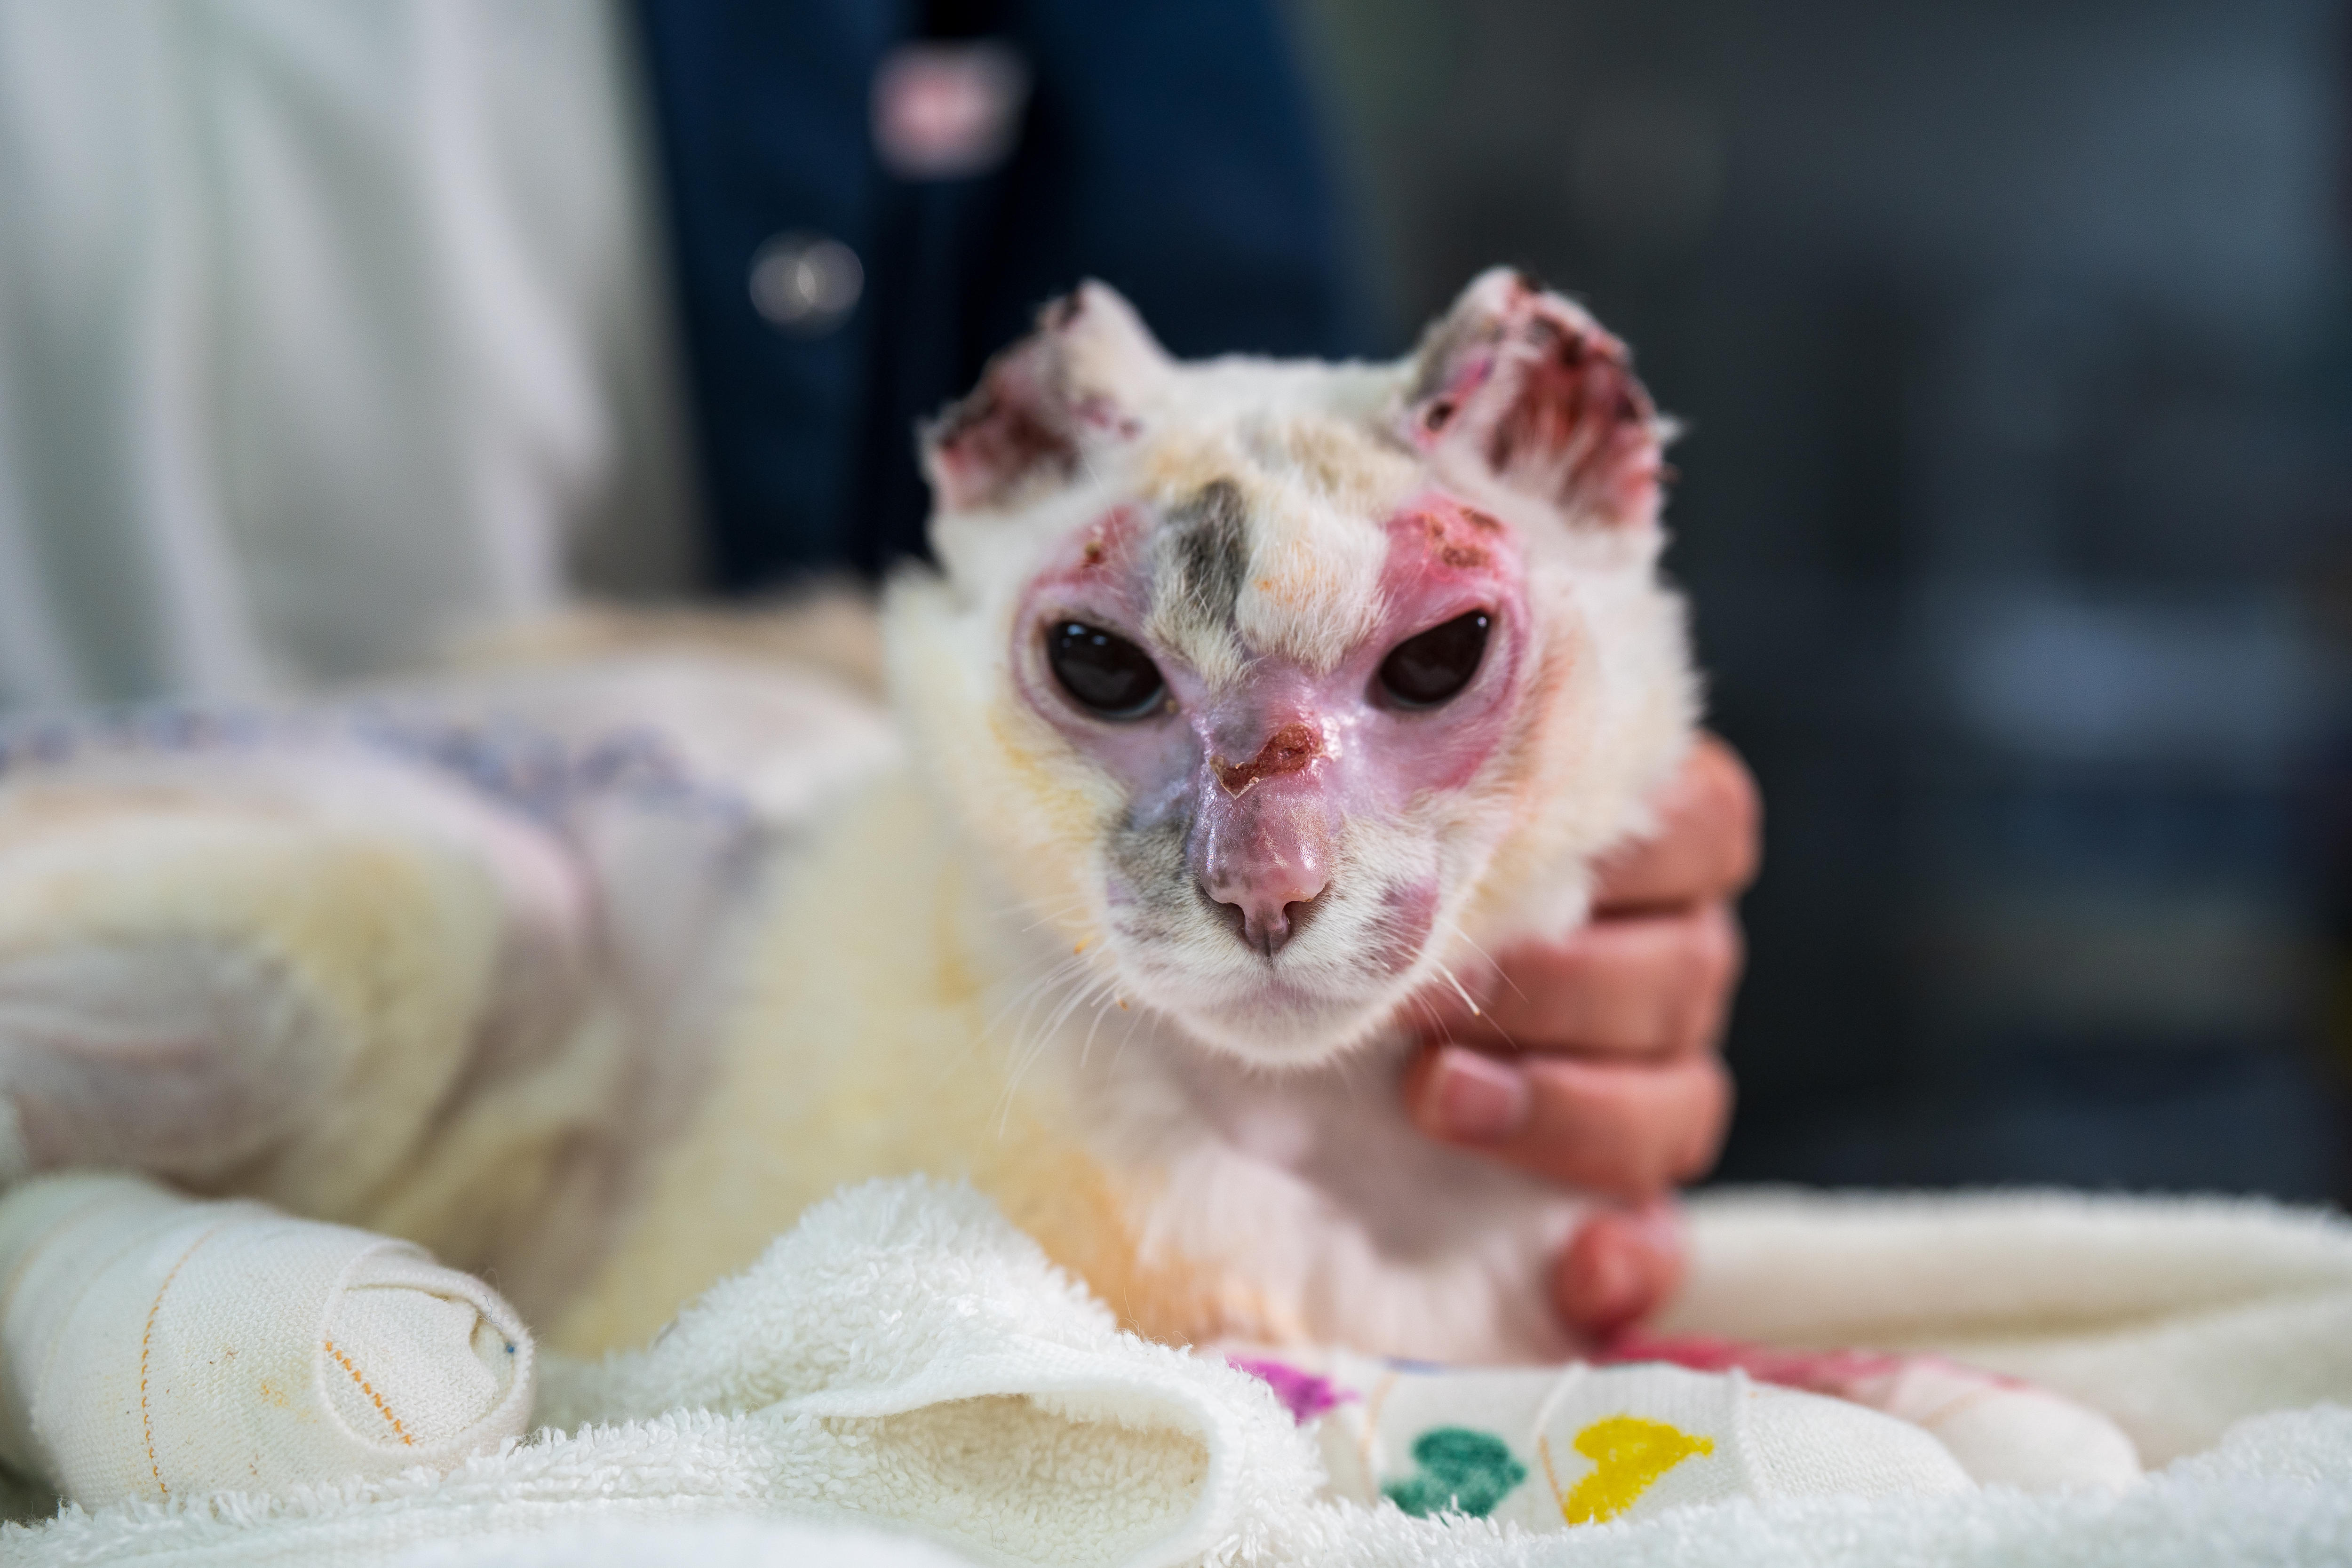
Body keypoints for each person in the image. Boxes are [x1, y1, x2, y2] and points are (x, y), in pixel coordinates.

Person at [0, 0, 1754, 1339]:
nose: (1273, 876)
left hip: (695, 904)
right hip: (461, 905)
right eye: (1105, 666)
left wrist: (1599, 894)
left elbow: (1262, 445)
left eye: (1442, 659)